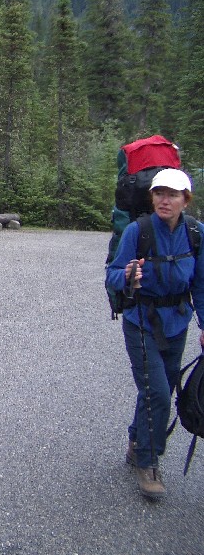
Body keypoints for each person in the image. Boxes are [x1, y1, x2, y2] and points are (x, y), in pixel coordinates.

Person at [105, 168, 204, 499]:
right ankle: (149, 463)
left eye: (173, 194)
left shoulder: (196, 234)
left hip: (177, 323)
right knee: (158, 393)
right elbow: (113, 274)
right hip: (141, 321)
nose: (165, 199)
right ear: (152, 197)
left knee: (156, 390)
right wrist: (128, 275)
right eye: (160, 193)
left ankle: (137, 441)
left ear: (185, 200)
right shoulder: (139, 231)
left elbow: (201, 285)